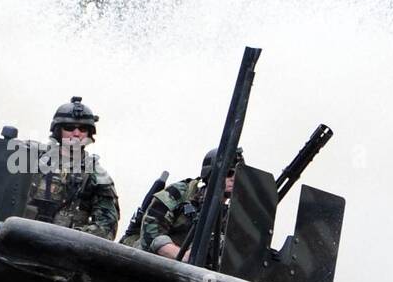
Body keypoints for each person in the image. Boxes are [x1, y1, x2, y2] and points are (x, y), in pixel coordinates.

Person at [25, 97, 119, 239]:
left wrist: (71, 236)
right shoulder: (31, 156)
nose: (76, 134)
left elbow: (107, 227)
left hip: (62, 248)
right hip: (19, 236)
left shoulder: (97, 175)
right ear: (58, 130)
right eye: (69, 128)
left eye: (82, 129)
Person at [138, 147, 243, 259]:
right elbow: (150, 236)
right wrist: (183, 257)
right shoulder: (179, 193)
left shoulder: (233, 215)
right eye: (228, 173)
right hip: (150, 262)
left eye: (237, 175)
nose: (233, 178)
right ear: (211, 174)